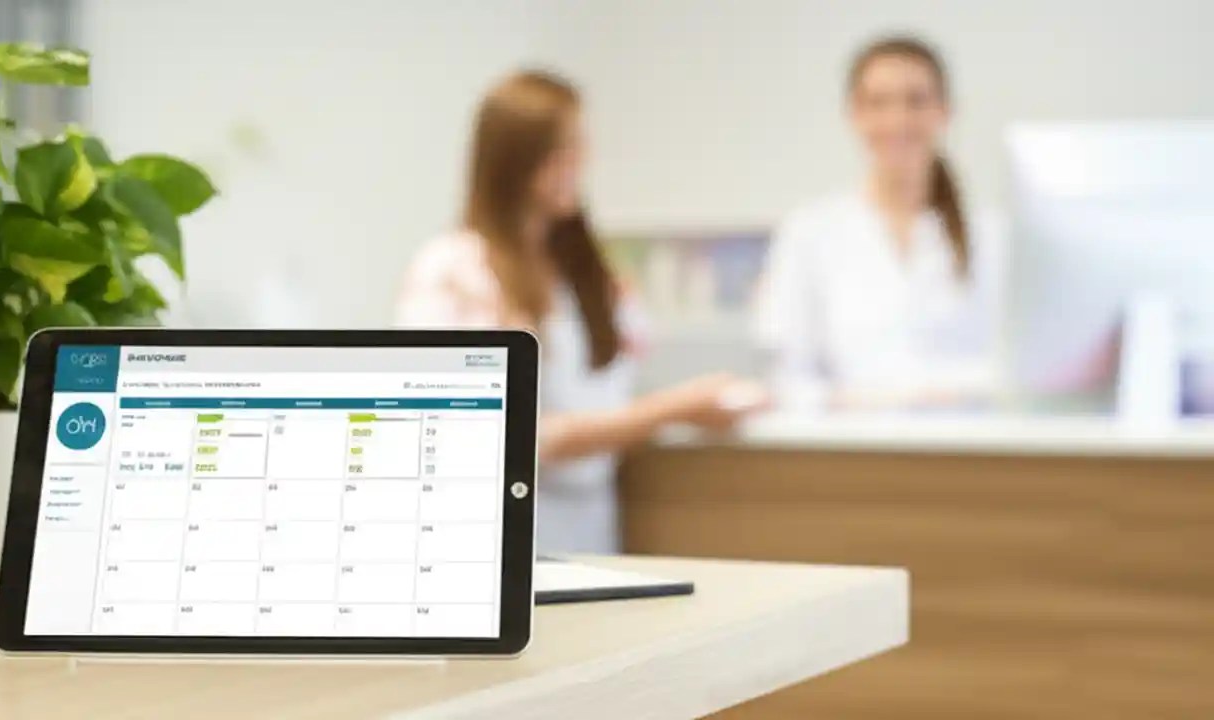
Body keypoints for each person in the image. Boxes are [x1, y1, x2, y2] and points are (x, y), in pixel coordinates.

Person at [397, 70, 766, 554]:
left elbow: (614, 375)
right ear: (513, 162)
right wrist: (673, 409)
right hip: (497, 537)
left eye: (578, 146)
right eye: (558, 152)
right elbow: (523, 435)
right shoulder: (453, 272)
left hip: (591, 527)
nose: (576, 164)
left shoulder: (578, 272)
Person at [757, 36, 1005, 413]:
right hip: (850, 457)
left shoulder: (993, 236)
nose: (898, 120)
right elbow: (787, 376)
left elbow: (1018, 368)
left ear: (944, 111)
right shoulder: (810, 233)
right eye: (879, 103)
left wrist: (945, 391)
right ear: (854, 114)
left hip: (967, 456)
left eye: (916, 101)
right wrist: (852, 401)